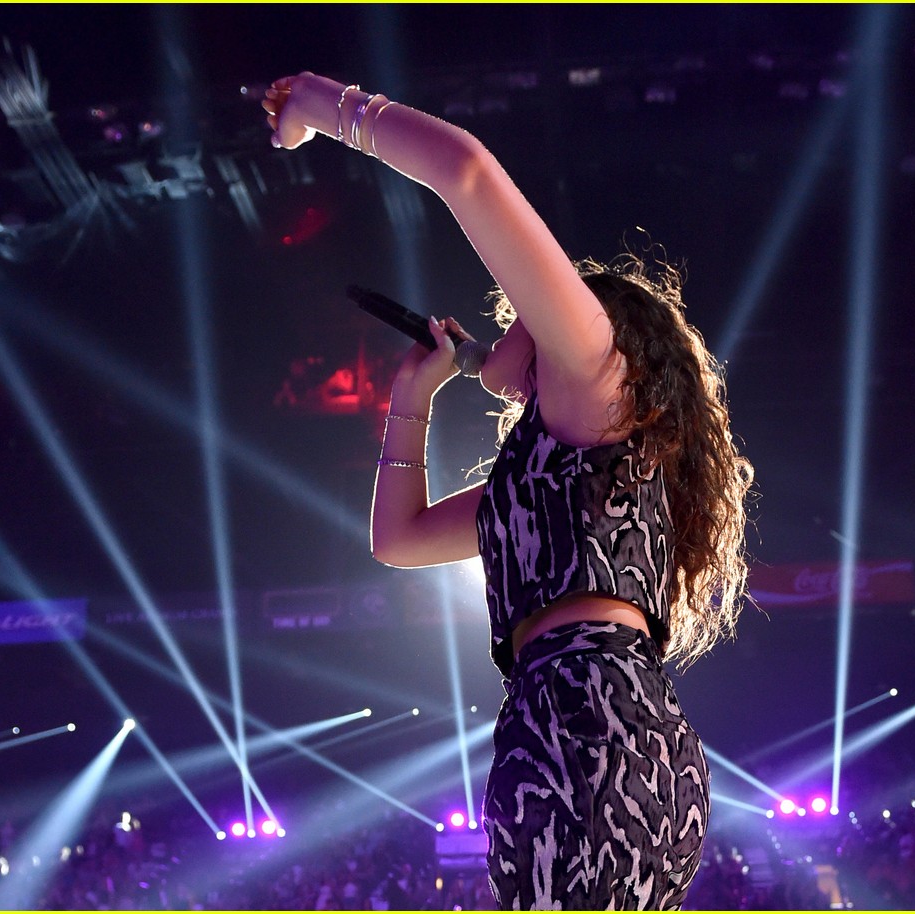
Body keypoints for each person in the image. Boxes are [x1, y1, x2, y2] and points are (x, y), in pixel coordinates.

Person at [263, 71, 754, 910]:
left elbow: (466, 175)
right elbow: (399, 539)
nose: (507, 311)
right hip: (583, 725)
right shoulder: (548, 478)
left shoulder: (604, 379)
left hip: (592, 726)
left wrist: (324, 105)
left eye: (522, 305)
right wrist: (414, 398)